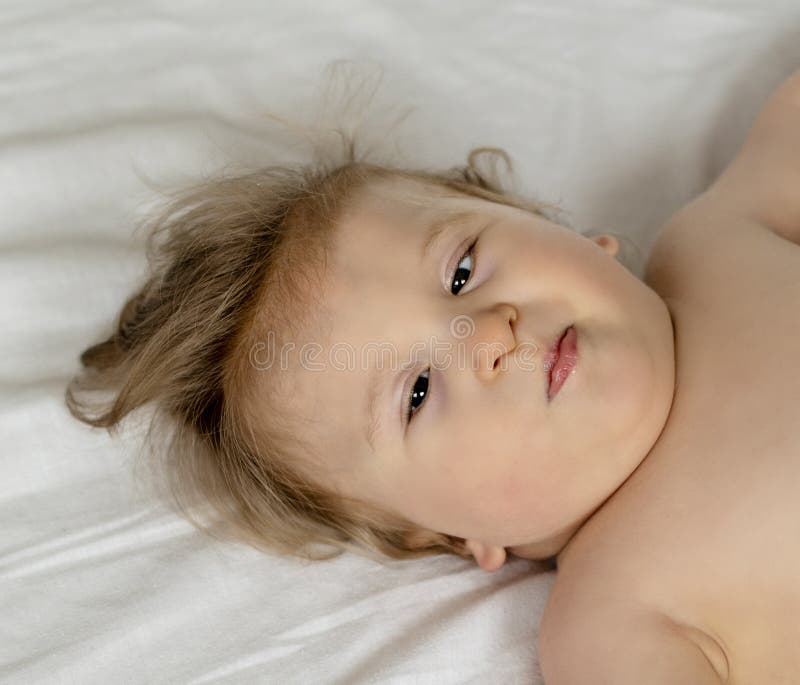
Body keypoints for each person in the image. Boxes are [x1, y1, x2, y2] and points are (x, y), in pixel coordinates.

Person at [67, 68, 800, 683]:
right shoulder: (614, 617)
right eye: (416, 394)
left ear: (555, 225)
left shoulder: (714, 243)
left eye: (462, 270)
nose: (486, 333)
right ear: (454, 536)